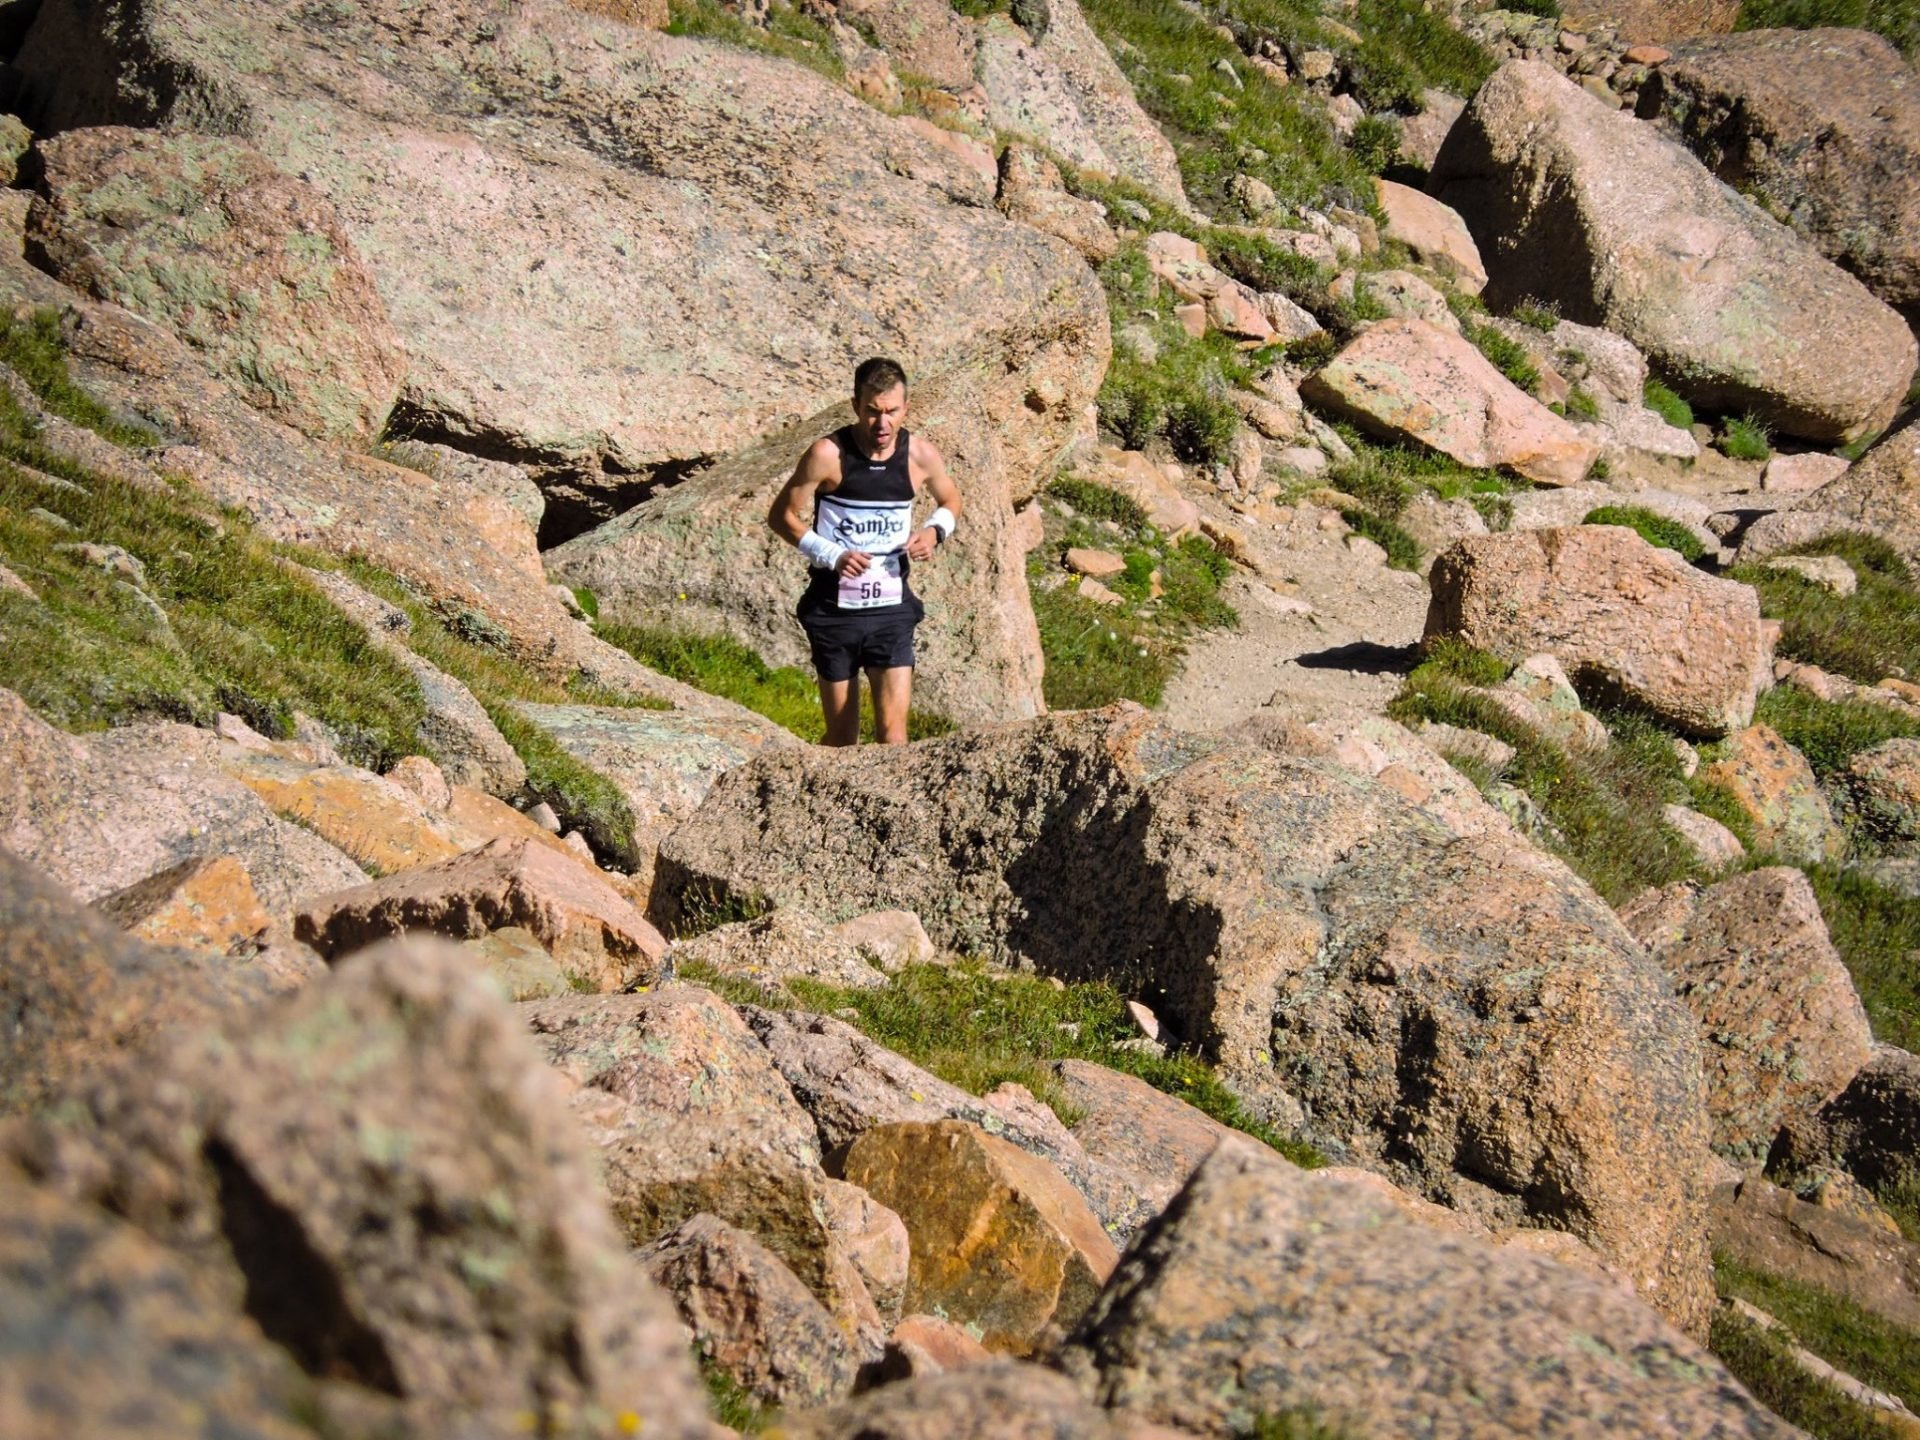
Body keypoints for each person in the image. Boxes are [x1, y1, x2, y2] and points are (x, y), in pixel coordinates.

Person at [768, 357, 961, 746]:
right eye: (872, 412)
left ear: (906, 408)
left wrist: (935, 530)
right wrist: (832, 554)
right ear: (856, 406)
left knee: (894, 738)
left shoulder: (920, 455)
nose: (882, 424)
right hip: (834, 613)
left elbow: (952, 498)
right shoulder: (828, 455)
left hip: (891, 612)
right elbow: (781, 516)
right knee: (842, 740)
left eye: (891, 412)